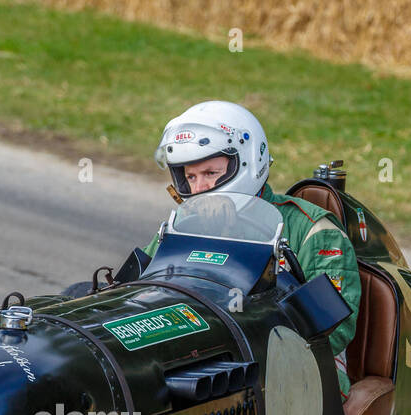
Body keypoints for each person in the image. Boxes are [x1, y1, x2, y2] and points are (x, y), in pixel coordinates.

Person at [143, 101, 361, 396]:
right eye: (190, 177)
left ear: (246, 162)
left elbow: (334, 330)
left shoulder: (312, 229)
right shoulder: (182, 224)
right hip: (209, 359)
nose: (198, 189)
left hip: (302, 371)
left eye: (210, 173)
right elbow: (142, 288)